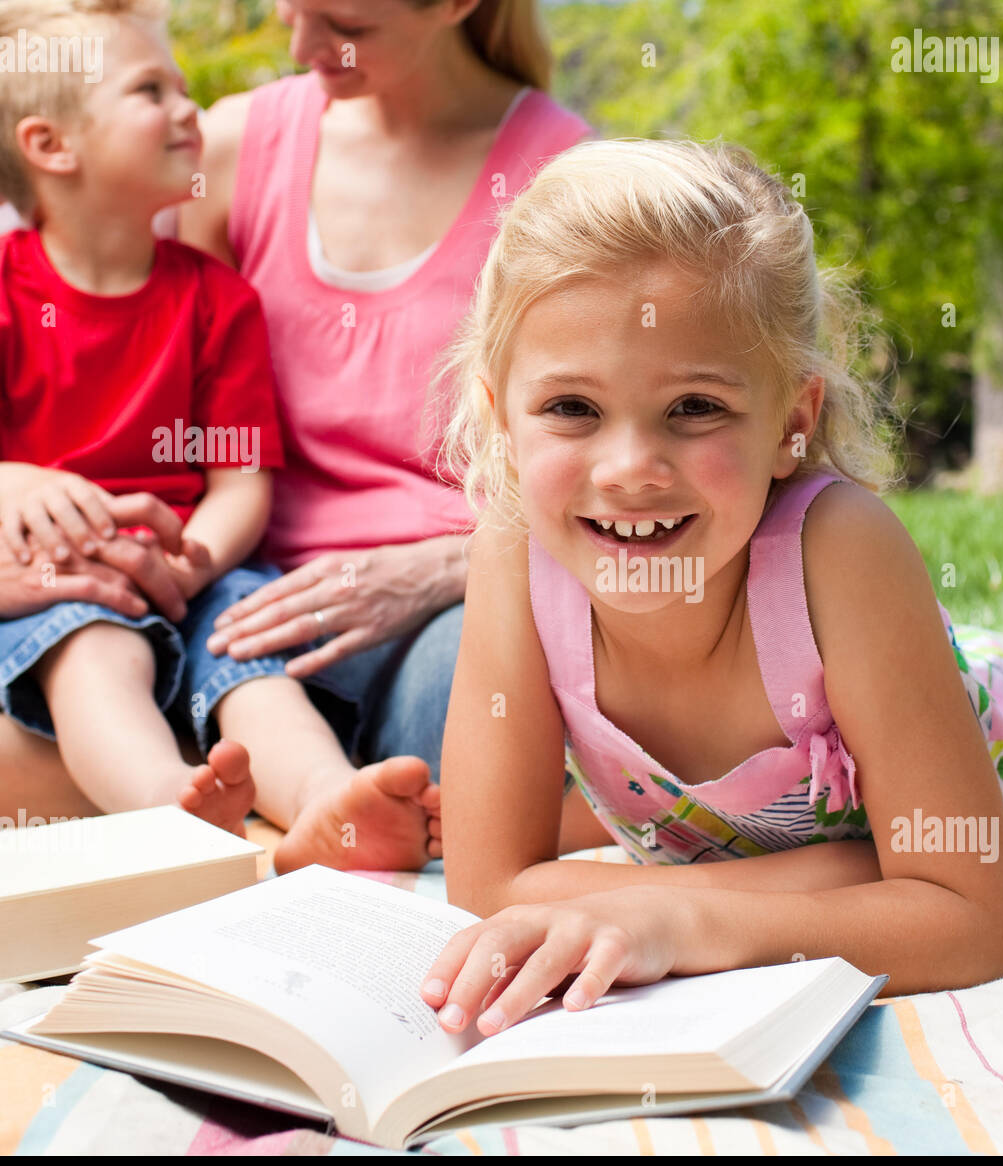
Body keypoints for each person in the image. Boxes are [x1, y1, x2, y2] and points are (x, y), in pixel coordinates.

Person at [417, 138, 1003, 1032]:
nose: (631, 467)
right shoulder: (517, 553)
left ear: (794, 422)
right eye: (572, 409)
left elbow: (971, 922)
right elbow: (488, 886)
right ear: (500, 419)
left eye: (695, 408)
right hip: (848, 786)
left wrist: (677, 912)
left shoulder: (836, 550)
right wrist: (868, 878)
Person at [1, 0, 593, 866]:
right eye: (290, 8)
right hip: (206, 593)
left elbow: (609, 470)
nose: (299, 47)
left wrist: (447, 564)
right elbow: (86, 234)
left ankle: (296, 813)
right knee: (107, 666)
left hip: (399, 604)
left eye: (341, 20)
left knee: (464, 736)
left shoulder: (566, 184)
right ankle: (234, 818)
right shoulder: (231, 149)